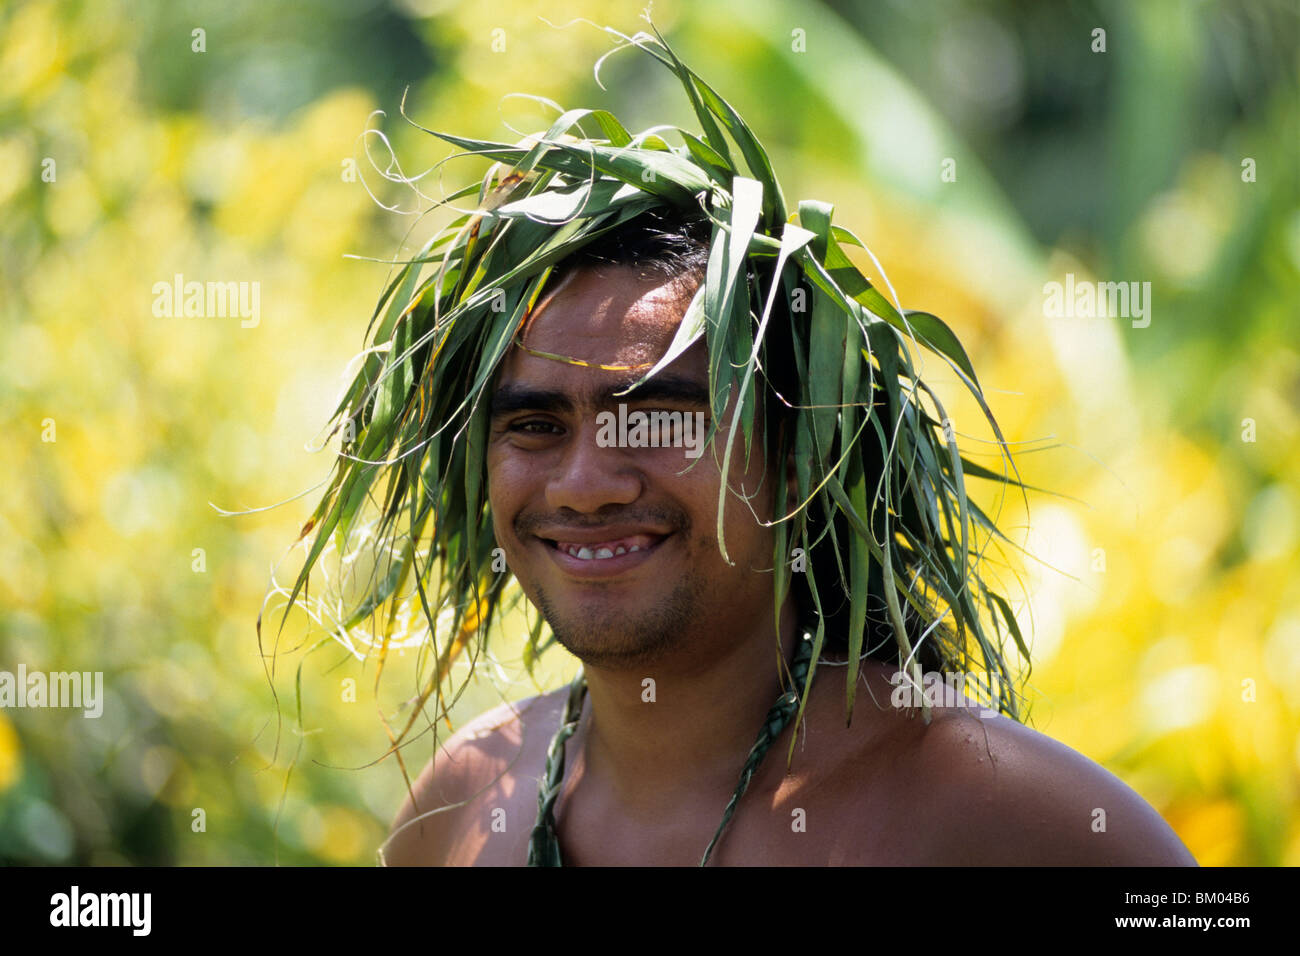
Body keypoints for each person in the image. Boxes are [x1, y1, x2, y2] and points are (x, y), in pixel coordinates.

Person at [282, 23, 1195, 866]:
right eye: (535, 425)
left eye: (660, 416)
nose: (587, 482)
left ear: (802, 457)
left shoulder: (996, 814)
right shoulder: (468, 805)